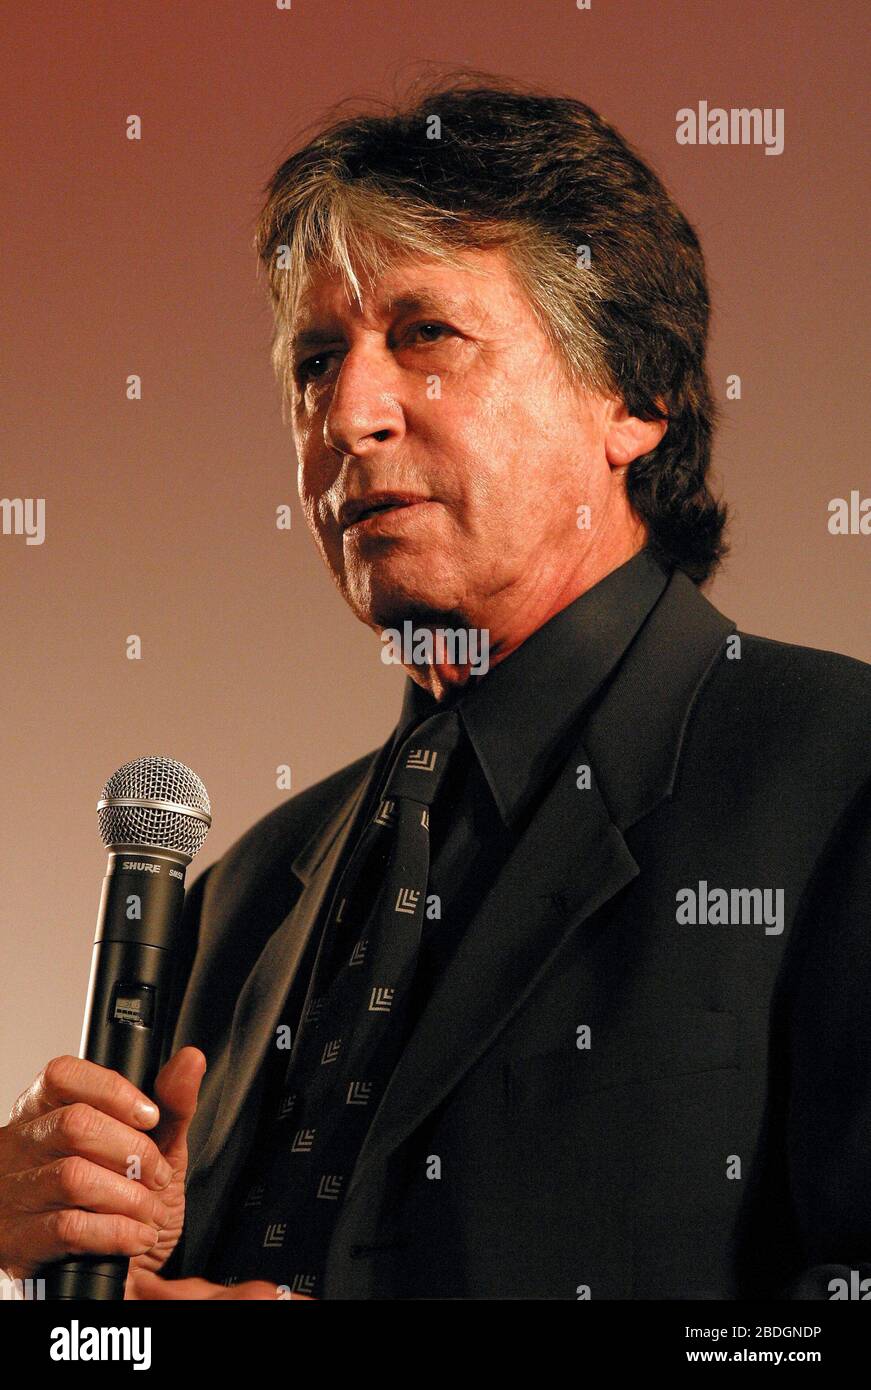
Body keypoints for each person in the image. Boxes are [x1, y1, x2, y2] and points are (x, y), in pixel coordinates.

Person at [2, 76, 870, 1302]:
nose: (347, 415)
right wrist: (90, 1305)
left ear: (633, 399)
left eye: (427, 336)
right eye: (314, 360)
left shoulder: (838, 774)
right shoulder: (243, 895)